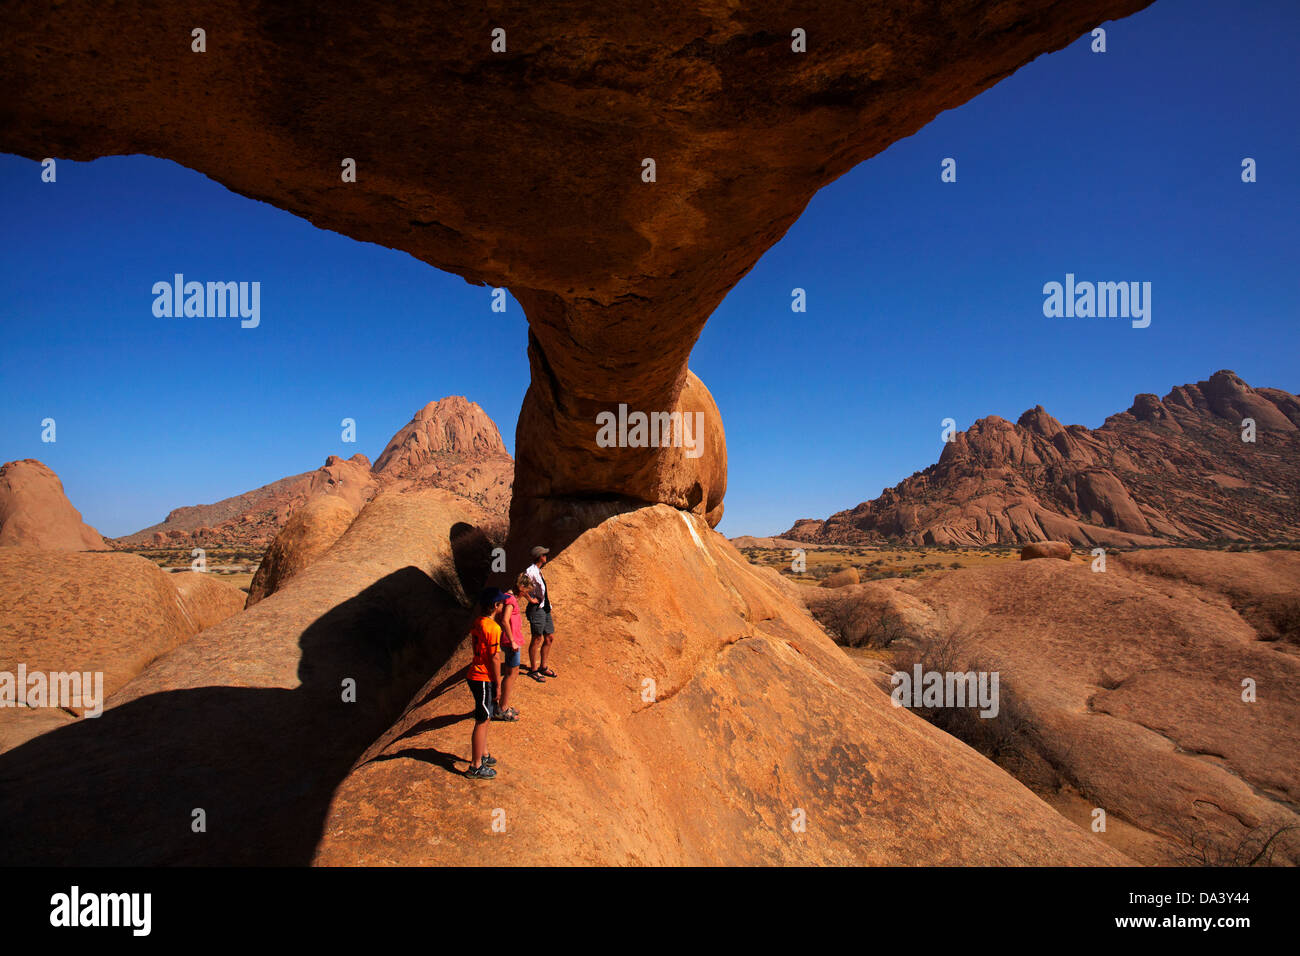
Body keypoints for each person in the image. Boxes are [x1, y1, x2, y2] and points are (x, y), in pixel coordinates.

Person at [466, 587, 504, 779]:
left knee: (486, 715)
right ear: (495, 606)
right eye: (501, 603)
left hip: (476, 674)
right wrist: (498, 684)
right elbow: (495, 658)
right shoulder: (494, 628)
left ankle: (484, 753)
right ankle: (475, 766)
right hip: (482, 677)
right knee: (482, 720)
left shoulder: (479, 622)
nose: (503, 605)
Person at [494, 574, 529, 720]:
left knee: (510, 672)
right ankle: (502, 708)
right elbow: (504, 620)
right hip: (510, 642)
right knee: (512, 673)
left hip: (508, 640)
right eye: (526, 591)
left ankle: (503, 705)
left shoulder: (506, 596)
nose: (525, 595)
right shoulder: (511, 599)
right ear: (521, 589)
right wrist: (512, 640)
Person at [524, 545, 557, 680]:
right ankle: (533, 670)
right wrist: (530, 599)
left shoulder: (538, 570)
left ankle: (543, 667)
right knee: (537, 638)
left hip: (545, 607)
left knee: (549, 637)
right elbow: (520, 586)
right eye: (544, 554)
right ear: (540, 557)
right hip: (537, 610)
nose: (546, 556)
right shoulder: (530, 572)